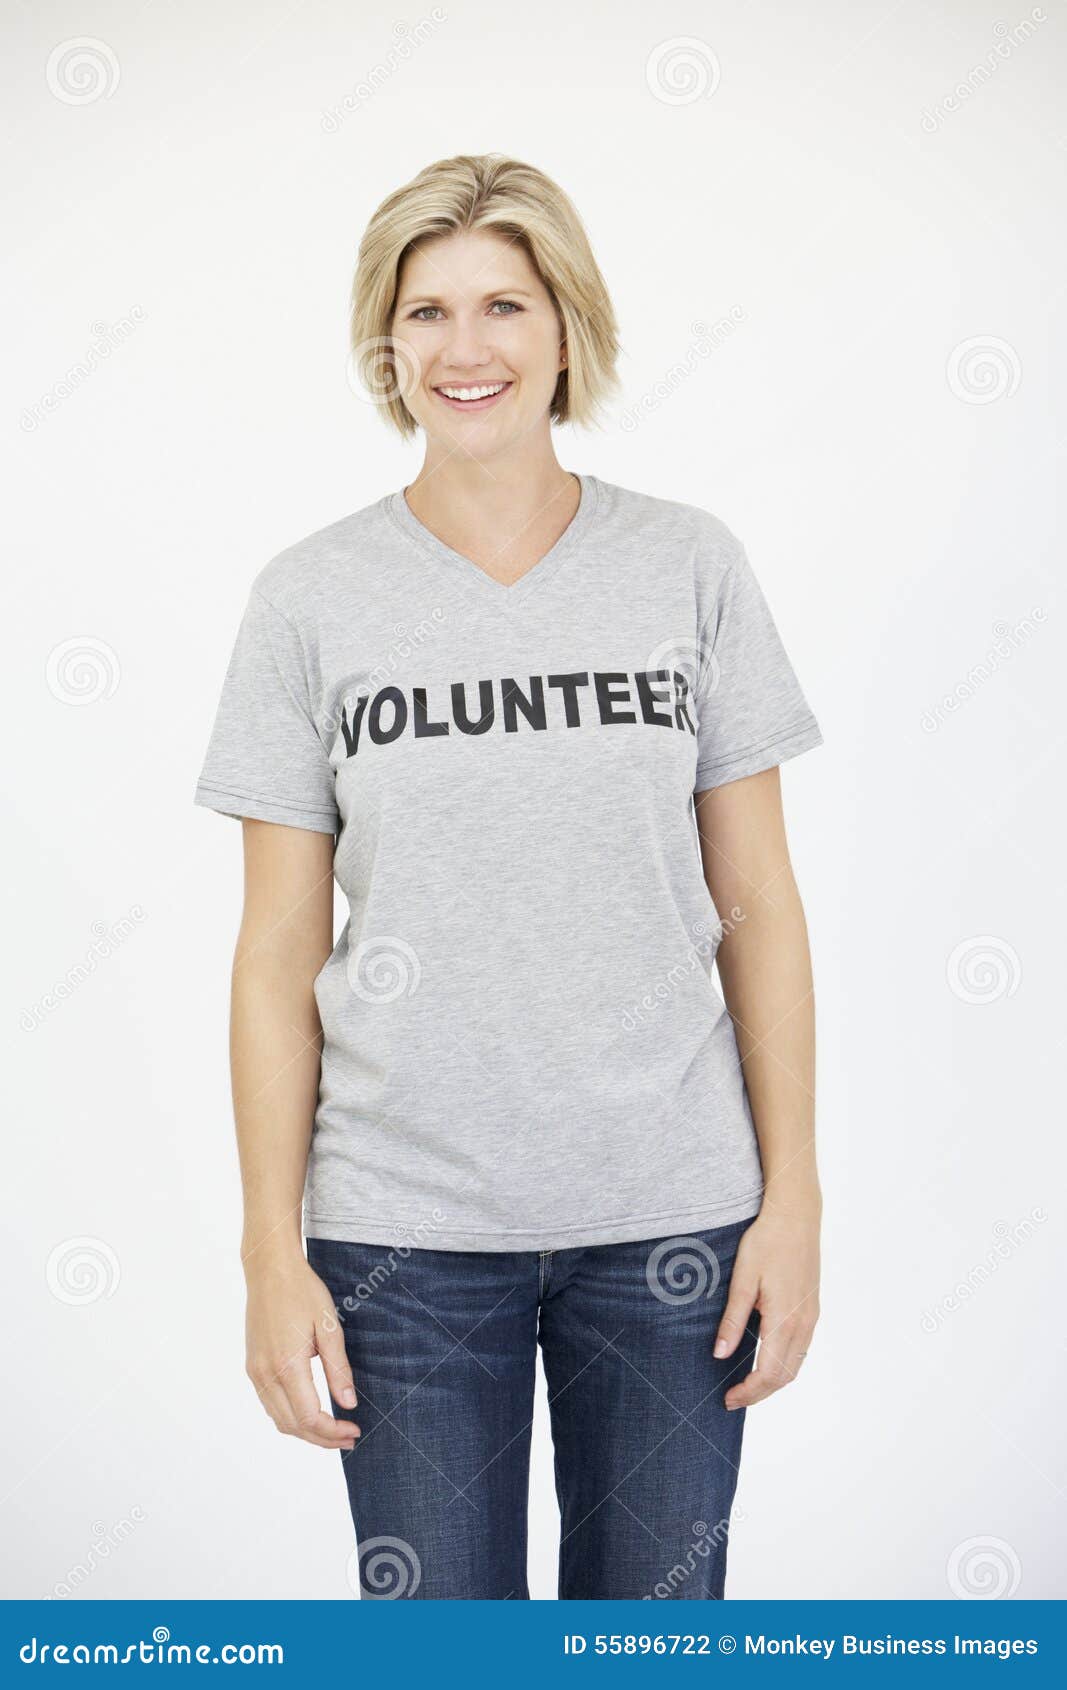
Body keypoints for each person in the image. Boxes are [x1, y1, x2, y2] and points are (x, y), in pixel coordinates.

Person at [194, 153, 823, 1601]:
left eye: (502, 306)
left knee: (653, 1649)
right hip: (403, 1241)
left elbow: (763, 906)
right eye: (424, 313)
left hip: (672, 1223)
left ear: (565, 328)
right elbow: (273, 948)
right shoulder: (310, 598)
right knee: (441, 1657)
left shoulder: (688, 566)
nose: (462, 350)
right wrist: (265, 1251)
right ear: (386, 340)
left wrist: (794, 1199)